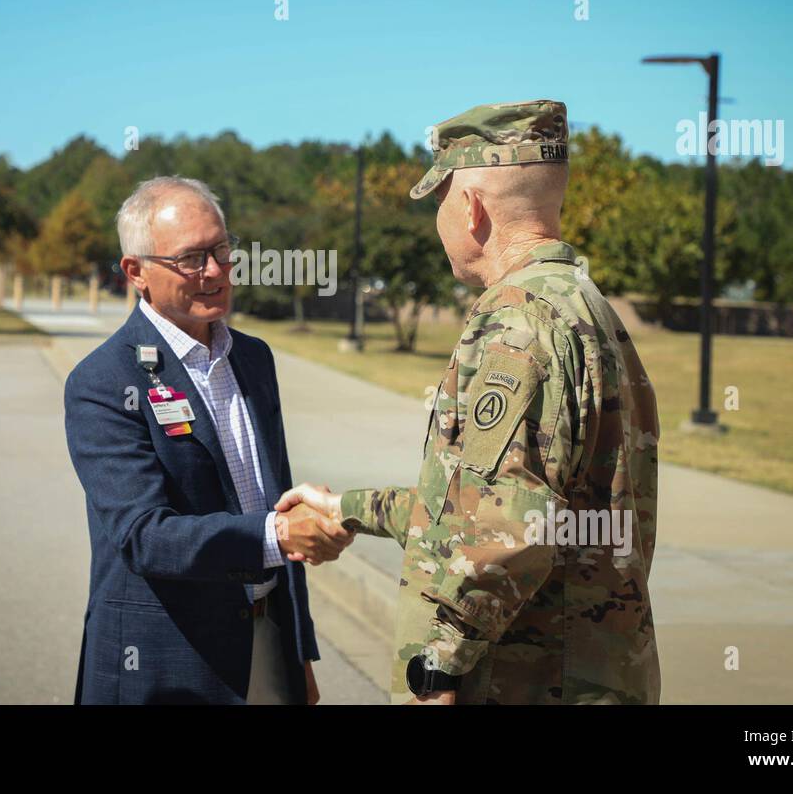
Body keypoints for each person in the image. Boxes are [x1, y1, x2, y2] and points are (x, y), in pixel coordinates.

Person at [278, 100, 661, 705]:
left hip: (524, 682)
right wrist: (348, 508)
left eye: (439, 202)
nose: (439, 222)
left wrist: (441, 665)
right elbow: (473, 504)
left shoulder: (518, 322)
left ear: (471, 208)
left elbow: (505, 524)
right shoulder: (586, 305)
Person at [64, 176, 350, 704]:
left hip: (268, 644)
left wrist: (300, 652)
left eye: (222, 250)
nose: (215, 271)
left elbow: (275, 496)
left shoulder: (254, 358)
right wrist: (278, 537)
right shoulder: (103, 381)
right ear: (136, 273)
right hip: (168, 663)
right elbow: (144, 535)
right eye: (191, 258)